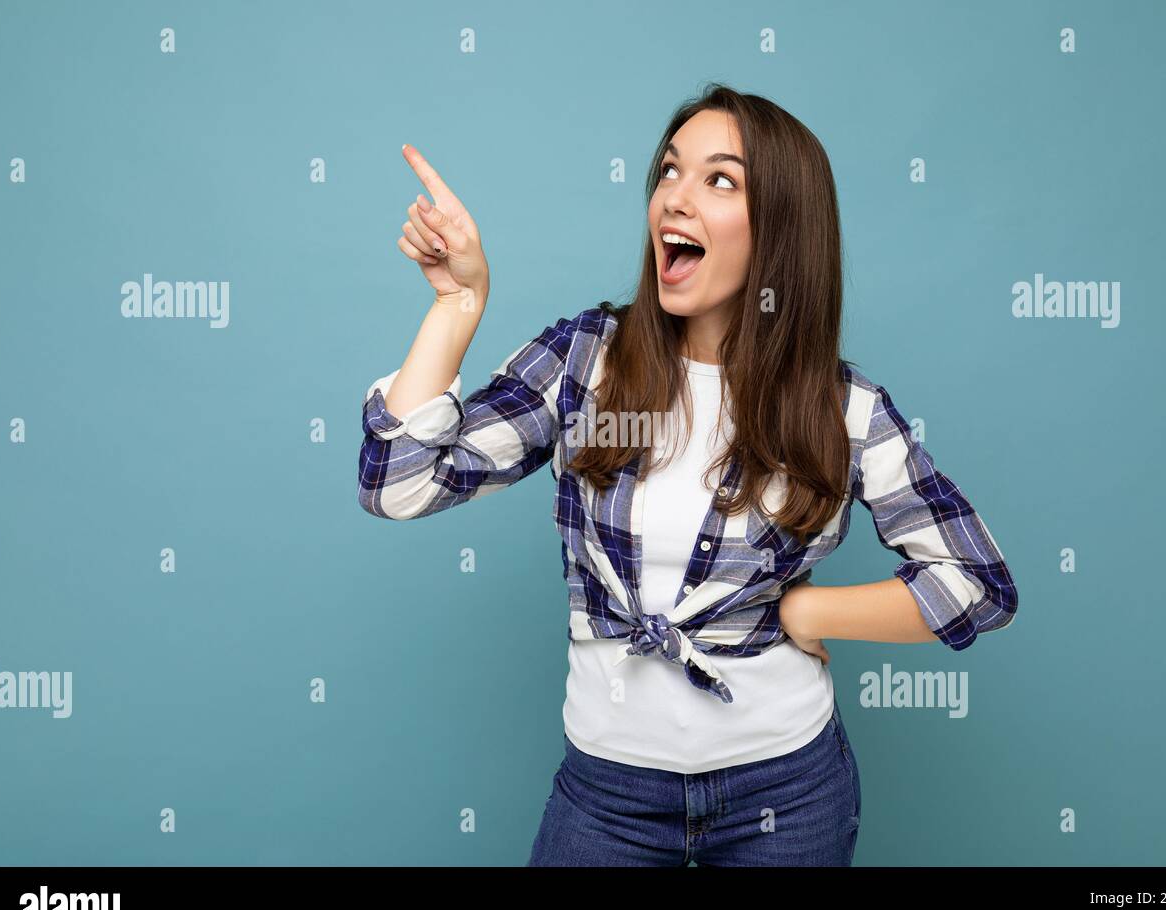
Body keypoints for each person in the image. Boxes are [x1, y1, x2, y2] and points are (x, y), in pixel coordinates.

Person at [358, 82, 1018, 866]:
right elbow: (396, 482)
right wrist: (460, 303)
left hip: (789, 793)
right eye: (670, 171)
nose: (676, 198)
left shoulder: (842, 409)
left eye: (720, 180)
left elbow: (978, 582)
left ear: (780, 229)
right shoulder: (586, 362)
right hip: (607, 798)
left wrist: (810, 614)